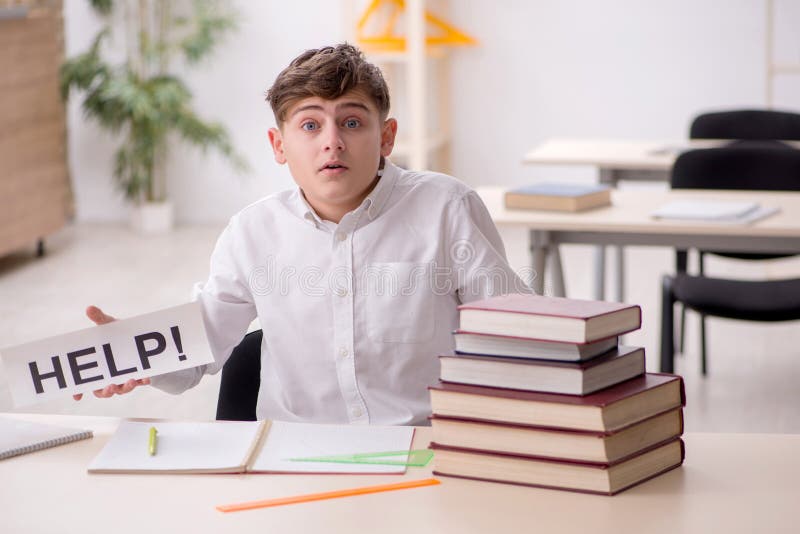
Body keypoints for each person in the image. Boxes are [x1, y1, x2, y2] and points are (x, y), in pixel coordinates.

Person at [76, 43, 528, 425]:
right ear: (279, 145)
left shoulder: (448, 208)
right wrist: (129, 351)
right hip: (294, 459)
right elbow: (202, 340)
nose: (332, 141)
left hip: (425, 453)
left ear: (386, 137)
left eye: (352, 122)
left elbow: (516, 337)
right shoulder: (252, 233)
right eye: (310, 125)